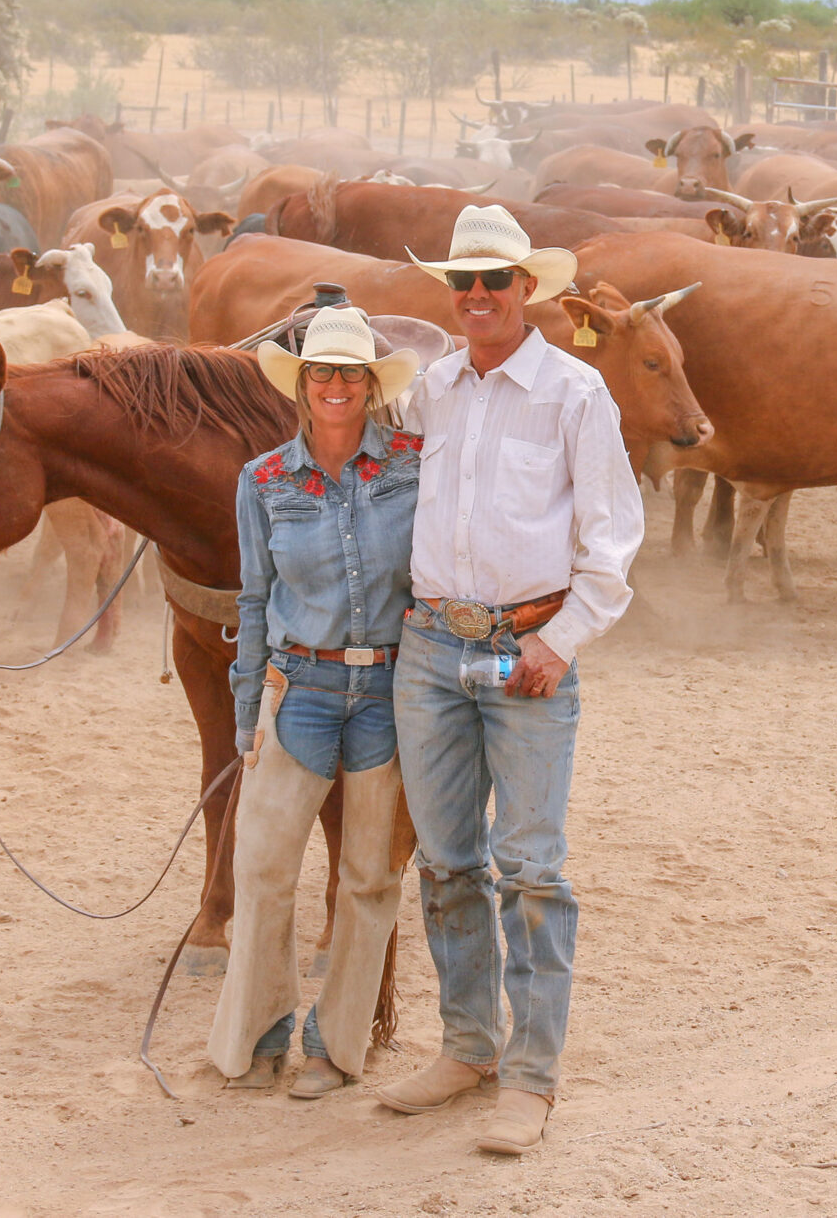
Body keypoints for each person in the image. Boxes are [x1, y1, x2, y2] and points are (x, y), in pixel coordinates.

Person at [374, 205, 644, 1155]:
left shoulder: (575, 393)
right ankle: (468, 1044)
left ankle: (530, 1076)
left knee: (530, 866)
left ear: (529, 287)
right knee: (448, 860)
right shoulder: (431, 389)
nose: (479, 295)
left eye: (495, 280)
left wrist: (563, 639)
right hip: (432, 651)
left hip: (527, 650)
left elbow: (612, 537)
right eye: (464, 282)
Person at [209, 304, 424, 1099]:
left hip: (387, 692)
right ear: (302, 385)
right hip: (297, 687)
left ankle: (335, 1047)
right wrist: (244, 715)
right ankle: (258, 1036)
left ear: (372, 385)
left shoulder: (414, 465)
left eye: (351, 373)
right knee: (263, 865)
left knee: (368, 876)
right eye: (322, 372)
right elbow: (255, 602)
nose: (336, 385)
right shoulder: (262, 480)